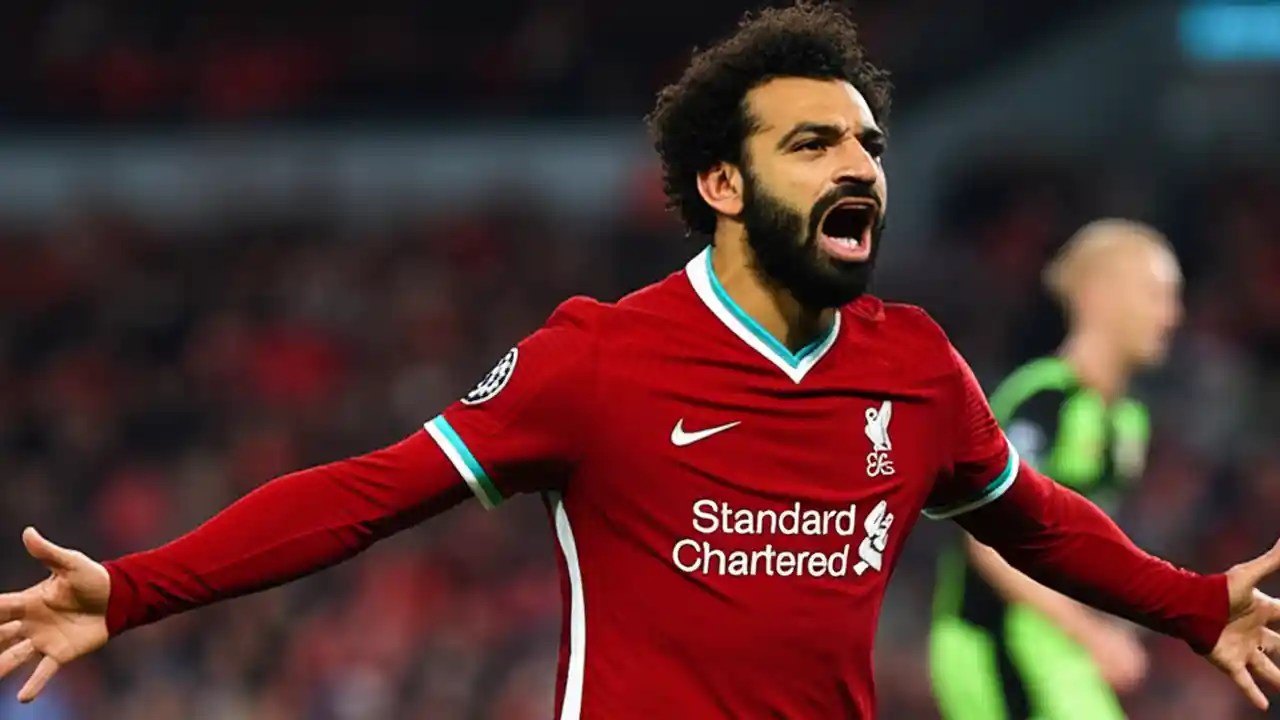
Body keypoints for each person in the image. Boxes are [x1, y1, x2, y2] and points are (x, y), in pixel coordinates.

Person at [1, 4, 1279, 719]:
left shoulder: (916, 366)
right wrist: (133, 592)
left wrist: (1188, 603)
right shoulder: (598, 358)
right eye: (812, 144)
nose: (858, 167)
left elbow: (1036, 522)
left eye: (870, 145)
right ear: (719, 183)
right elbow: (365, 495)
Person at [929, 220, 1184, 720]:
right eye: (1156, 295)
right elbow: (988, 542)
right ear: (1101, 297)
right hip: (994, 638)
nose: (1171, 316)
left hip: (1053, 642)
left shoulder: (1127, 421)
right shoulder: (1044, 400)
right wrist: (1091, 635)